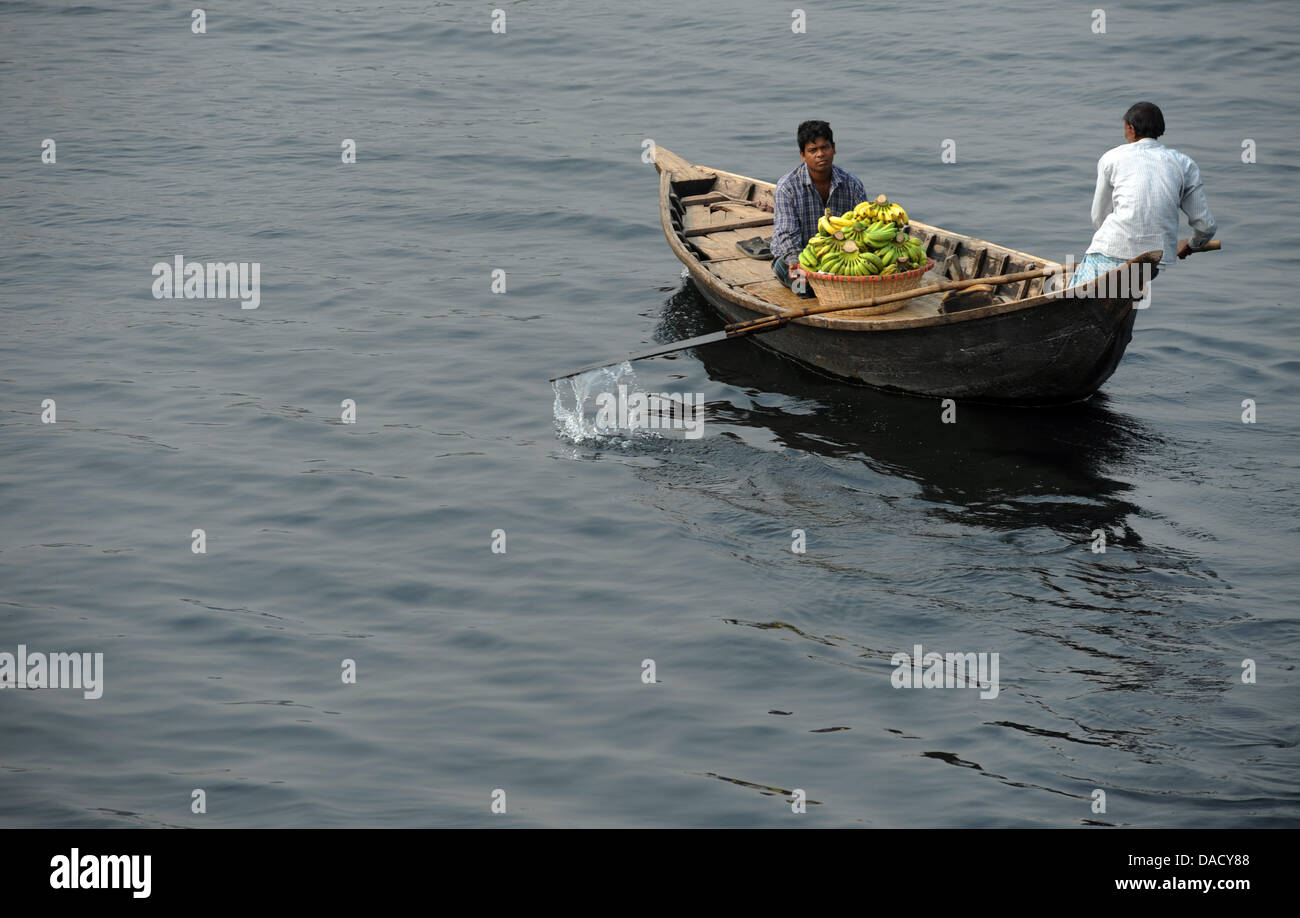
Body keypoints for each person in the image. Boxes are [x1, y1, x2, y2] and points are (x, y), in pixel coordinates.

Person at [1070, 101, 1217, 288]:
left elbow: (1099, 217)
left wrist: (1113, 245)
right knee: (1121, 292)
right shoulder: (1184, 164)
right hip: (1154, 261)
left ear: (1131, 129)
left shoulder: (1111, 158)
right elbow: (1206, 226)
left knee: (1073, 295)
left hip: (1110, 252)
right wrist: (1191, 245)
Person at [771, 121, 868, 297]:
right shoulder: (787, 187)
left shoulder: (852, 184)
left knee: (863, 282)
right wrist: (795, 261)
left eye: (825, 148)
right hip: (796, 259)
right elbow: (786, 233)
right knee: (803, 289)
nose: (820, 154)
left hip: (840, 260)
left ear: (834, 148)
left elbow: (864, 226)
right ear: (803, 155)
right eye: (813, 150)